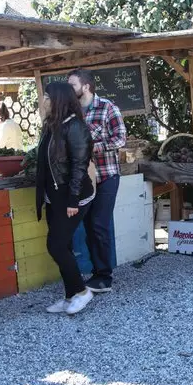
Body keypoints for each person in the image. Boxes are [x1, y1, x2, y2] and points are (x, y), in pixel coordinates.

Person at [35, 81, 98, 315]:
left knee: (56, 245)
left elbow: (79, 167)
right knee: (63, 246)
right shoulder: (52, 126)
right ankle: (70, 294)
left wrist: (72, 200)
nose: (44, 101)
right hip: (55, 197)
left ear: (59, 100)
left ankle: (82, 292)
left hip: (73, 196)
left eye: (47, 97)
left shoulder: (75, 127)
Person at [67, 69, 126, 293]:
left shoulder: (108, 108)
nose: (69, 89)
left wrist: (91, 148)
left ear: (85, 87)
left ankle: (104, 276)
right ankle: (96, 274)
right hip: (84, 180)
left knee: (99, 225)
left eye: (72, 85)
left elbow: (120, 139)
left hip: (106, 175)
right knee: (90, 226)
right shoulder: (71, 112)